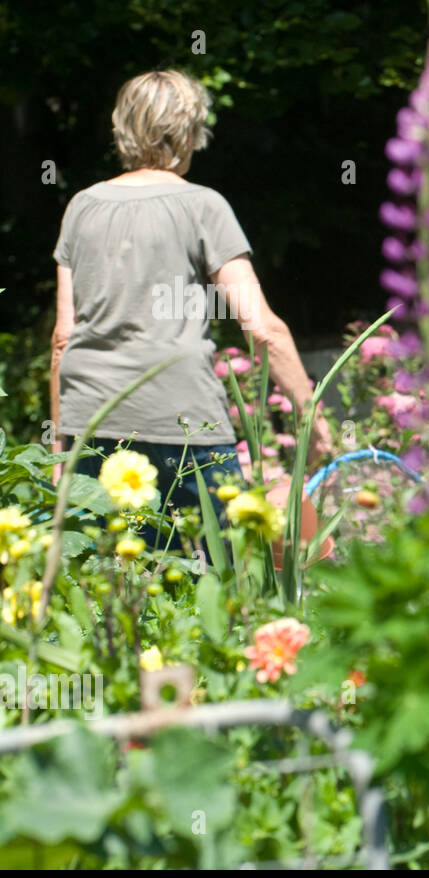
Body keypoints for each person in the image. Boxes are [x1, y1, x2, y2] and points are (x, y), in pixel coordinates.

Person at [50, 69, 331, 543]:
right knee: (220, 583)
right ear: (187, 131)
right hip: (185, 428)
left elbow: (63, 339)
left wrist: (59, 452)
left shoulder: (81, 207)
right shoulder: (203, 205)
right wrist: (312, 418)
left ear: (123, 127)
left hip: (93, 425)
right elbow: (260, 328)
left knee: (112, 588)